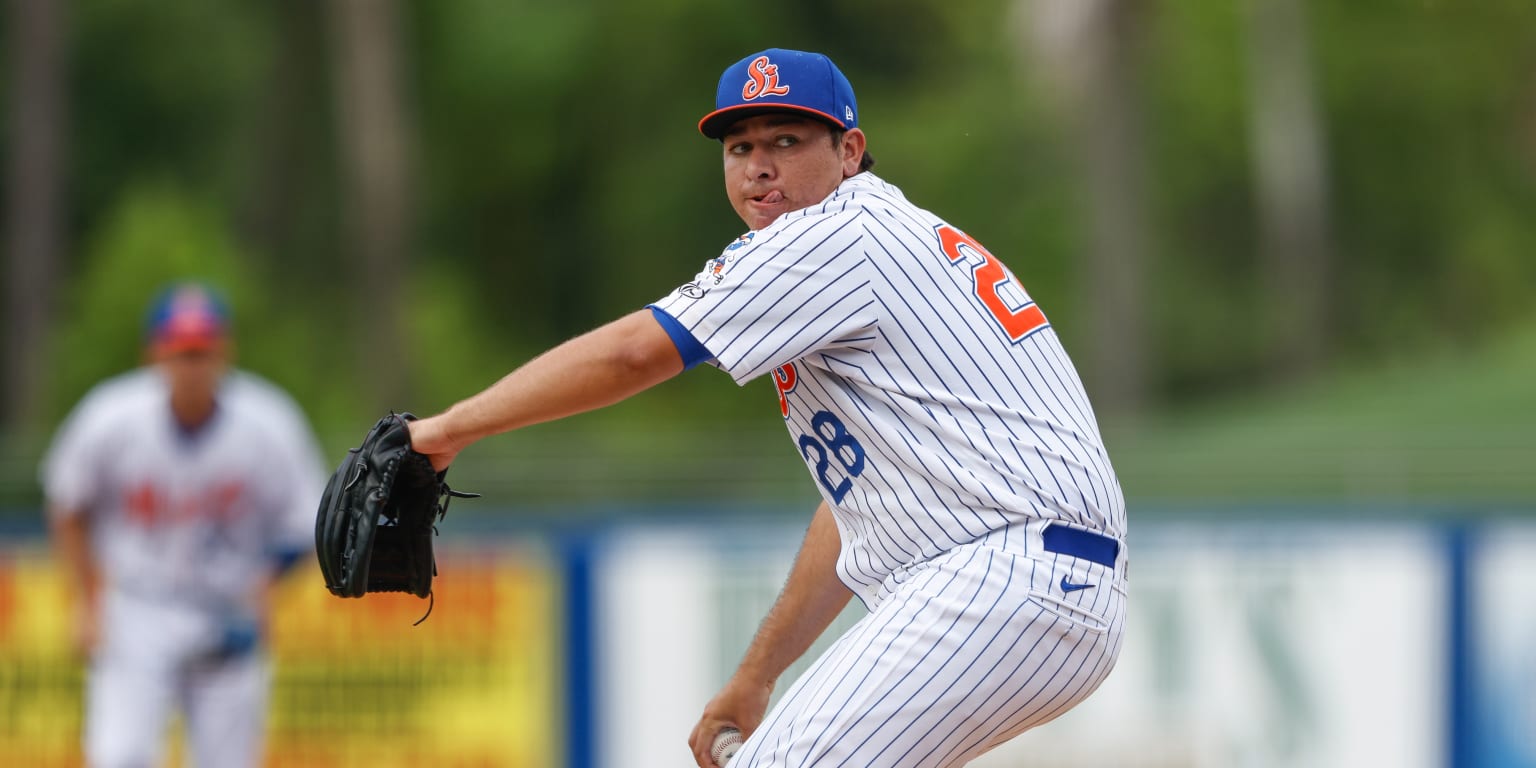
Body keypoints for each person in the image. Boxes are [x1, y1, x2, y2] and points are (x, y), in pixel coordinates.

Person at [406, 48, 1128, 767]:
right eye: (740, 146)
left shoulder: (833, 235)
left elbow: (634, 354)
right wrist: (757, 676)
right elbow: (857, 510)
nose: (759, 165)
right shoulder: (871, 240)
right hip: (1034, 584)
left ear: (849, 151)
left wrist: (441, 433)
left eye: (787, 140)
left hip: (1005, 577)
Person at [41, 282, 325, 768]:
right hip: (138, 608)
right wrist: (86, 602)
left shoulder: (269, 422)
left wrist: (264, 585)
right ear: (155, 353)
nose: (192, 365)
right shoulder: (112, 415)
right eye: (181, 351)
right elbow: (67, 501)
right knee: (120, 757)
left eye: (202, 350)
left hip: (226, 609)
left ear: (224, 351)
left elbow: (309, 522)